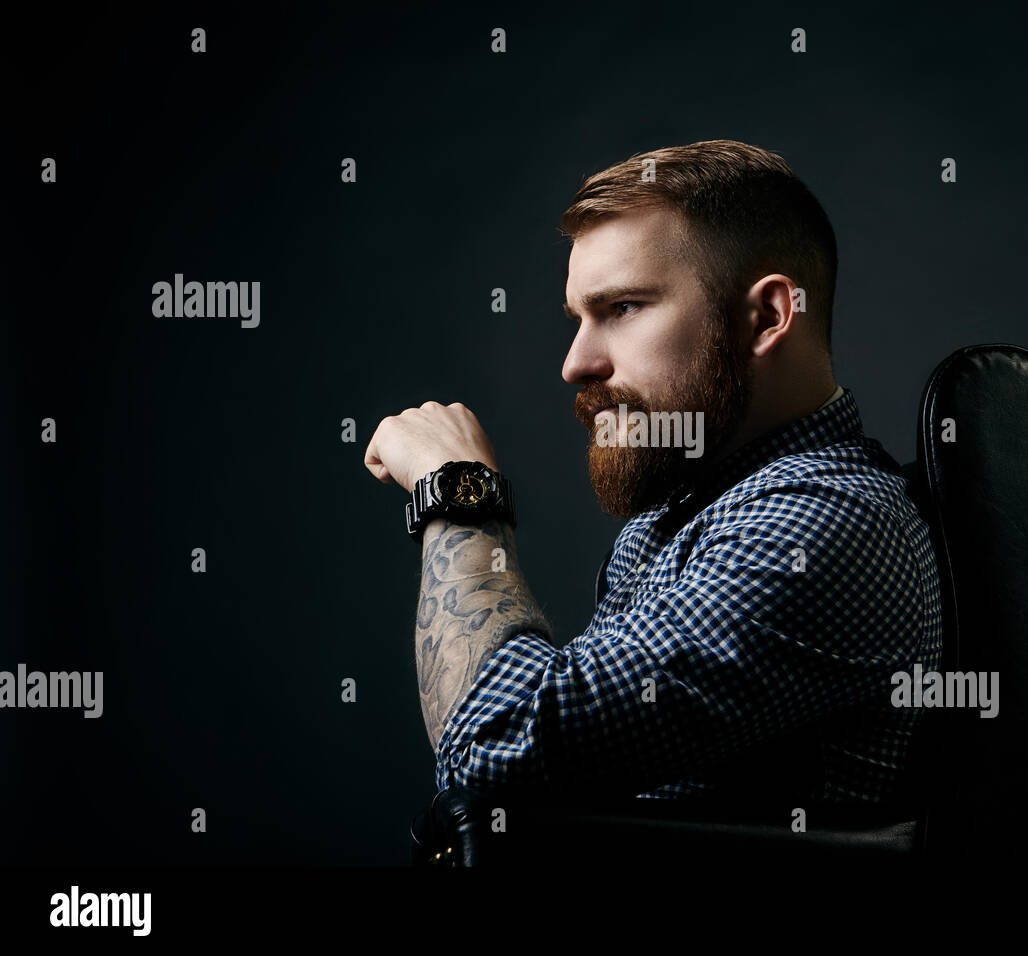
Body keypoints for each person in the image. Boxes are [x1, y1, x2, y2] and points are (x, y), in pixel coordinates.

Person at [363, 139, 942, 812]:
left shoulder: (819, 525)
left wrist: (459, 493)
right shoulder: (694, 512)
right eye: (578, 319)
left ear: (768, 316)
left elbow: (494, 752)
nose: (575, 364)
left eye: (622, 309)